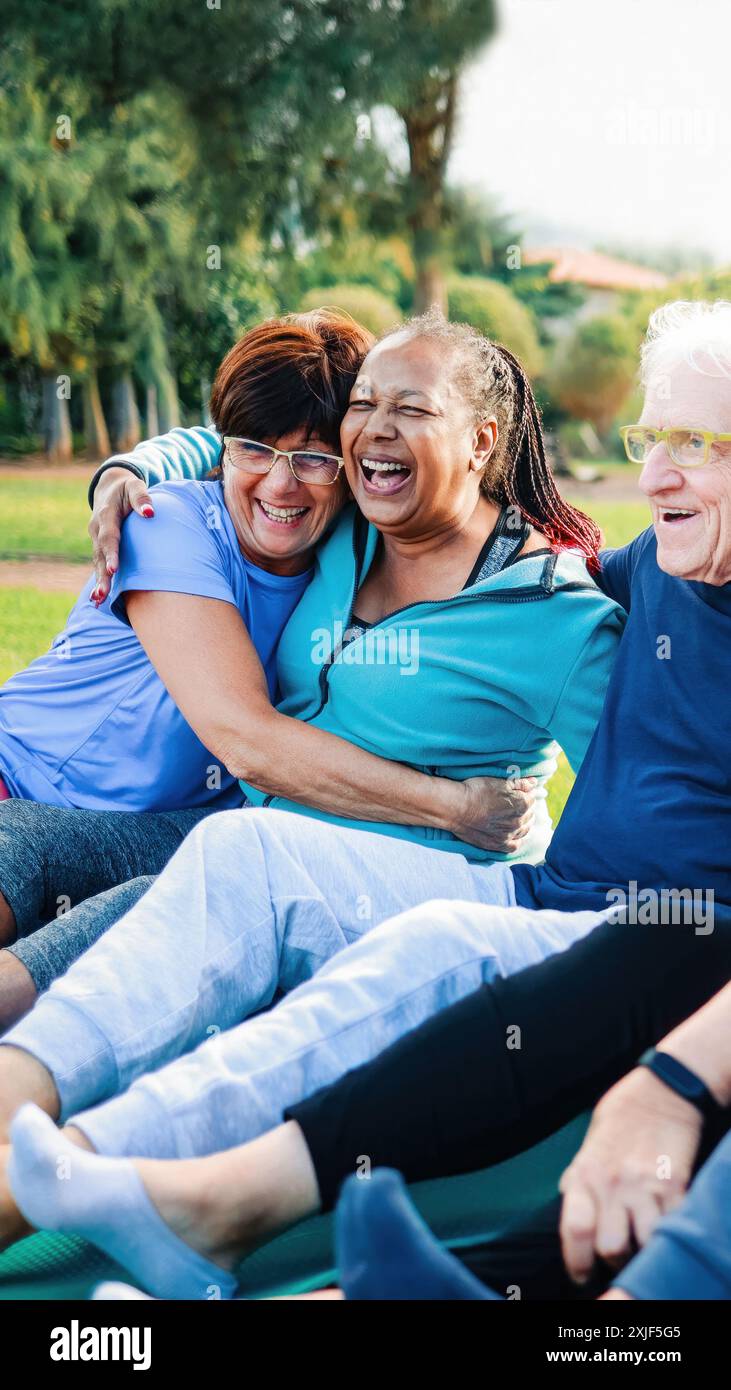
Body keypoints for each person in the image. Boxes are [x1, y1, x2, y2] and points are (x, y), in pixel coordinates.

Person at [0, 310, 620, 1033]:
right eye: (366, 406)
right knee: (26, 845)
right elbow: (261, 438)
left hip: (279, 858)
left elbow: (639, 799)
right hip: (127, 802)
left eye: (410, 409)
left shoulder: (529, 603)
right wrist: (128, 468)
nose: (285, 482)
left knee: (106, 935)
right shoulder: (258, 520)